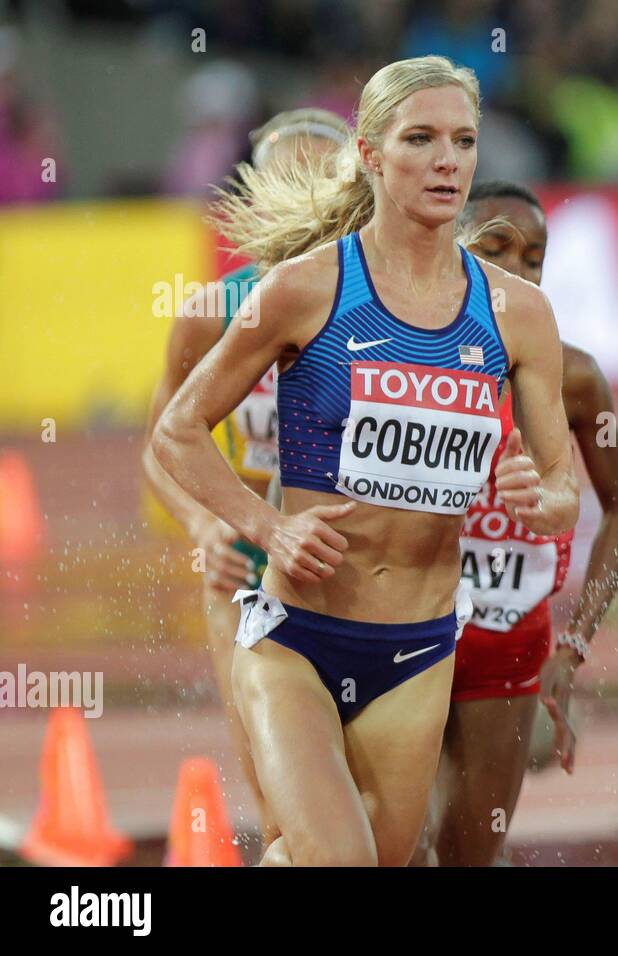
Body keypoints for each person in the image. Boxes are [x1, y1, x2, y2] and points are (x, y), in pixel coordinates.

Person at [152, 55, 579, 866]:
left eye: (463, 141)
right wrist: (264, 527)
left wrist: (542, 498)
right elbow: (176, 430)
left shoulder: (518, 315)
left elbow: (562, 494)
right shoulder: (303, 289)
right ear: (372, 154)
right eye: (420, 139)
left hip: (418, 650)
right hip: (295, 638)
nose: (447, 160)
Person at [143, 108, 350, 846]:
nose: (306, 198)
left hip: (361, 573)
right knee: (278, 803)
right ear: (257, 196)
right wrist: (207, 524)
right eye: (286, 180)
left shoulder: (386, 304)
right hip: (249, 571)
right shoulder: (211, 315)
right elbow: (159, 445)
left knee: (379, 814)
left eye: (321, 179)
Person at [426, 180, 618, 865]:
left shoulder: (575, 377)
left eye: (535, 256)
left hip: (510, 646)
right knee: (392, 846)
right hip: (408, 634)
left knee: (470, 854)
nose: (519, 270)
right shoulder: (401, 356)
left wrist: (571, 648)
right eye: (495, 249)